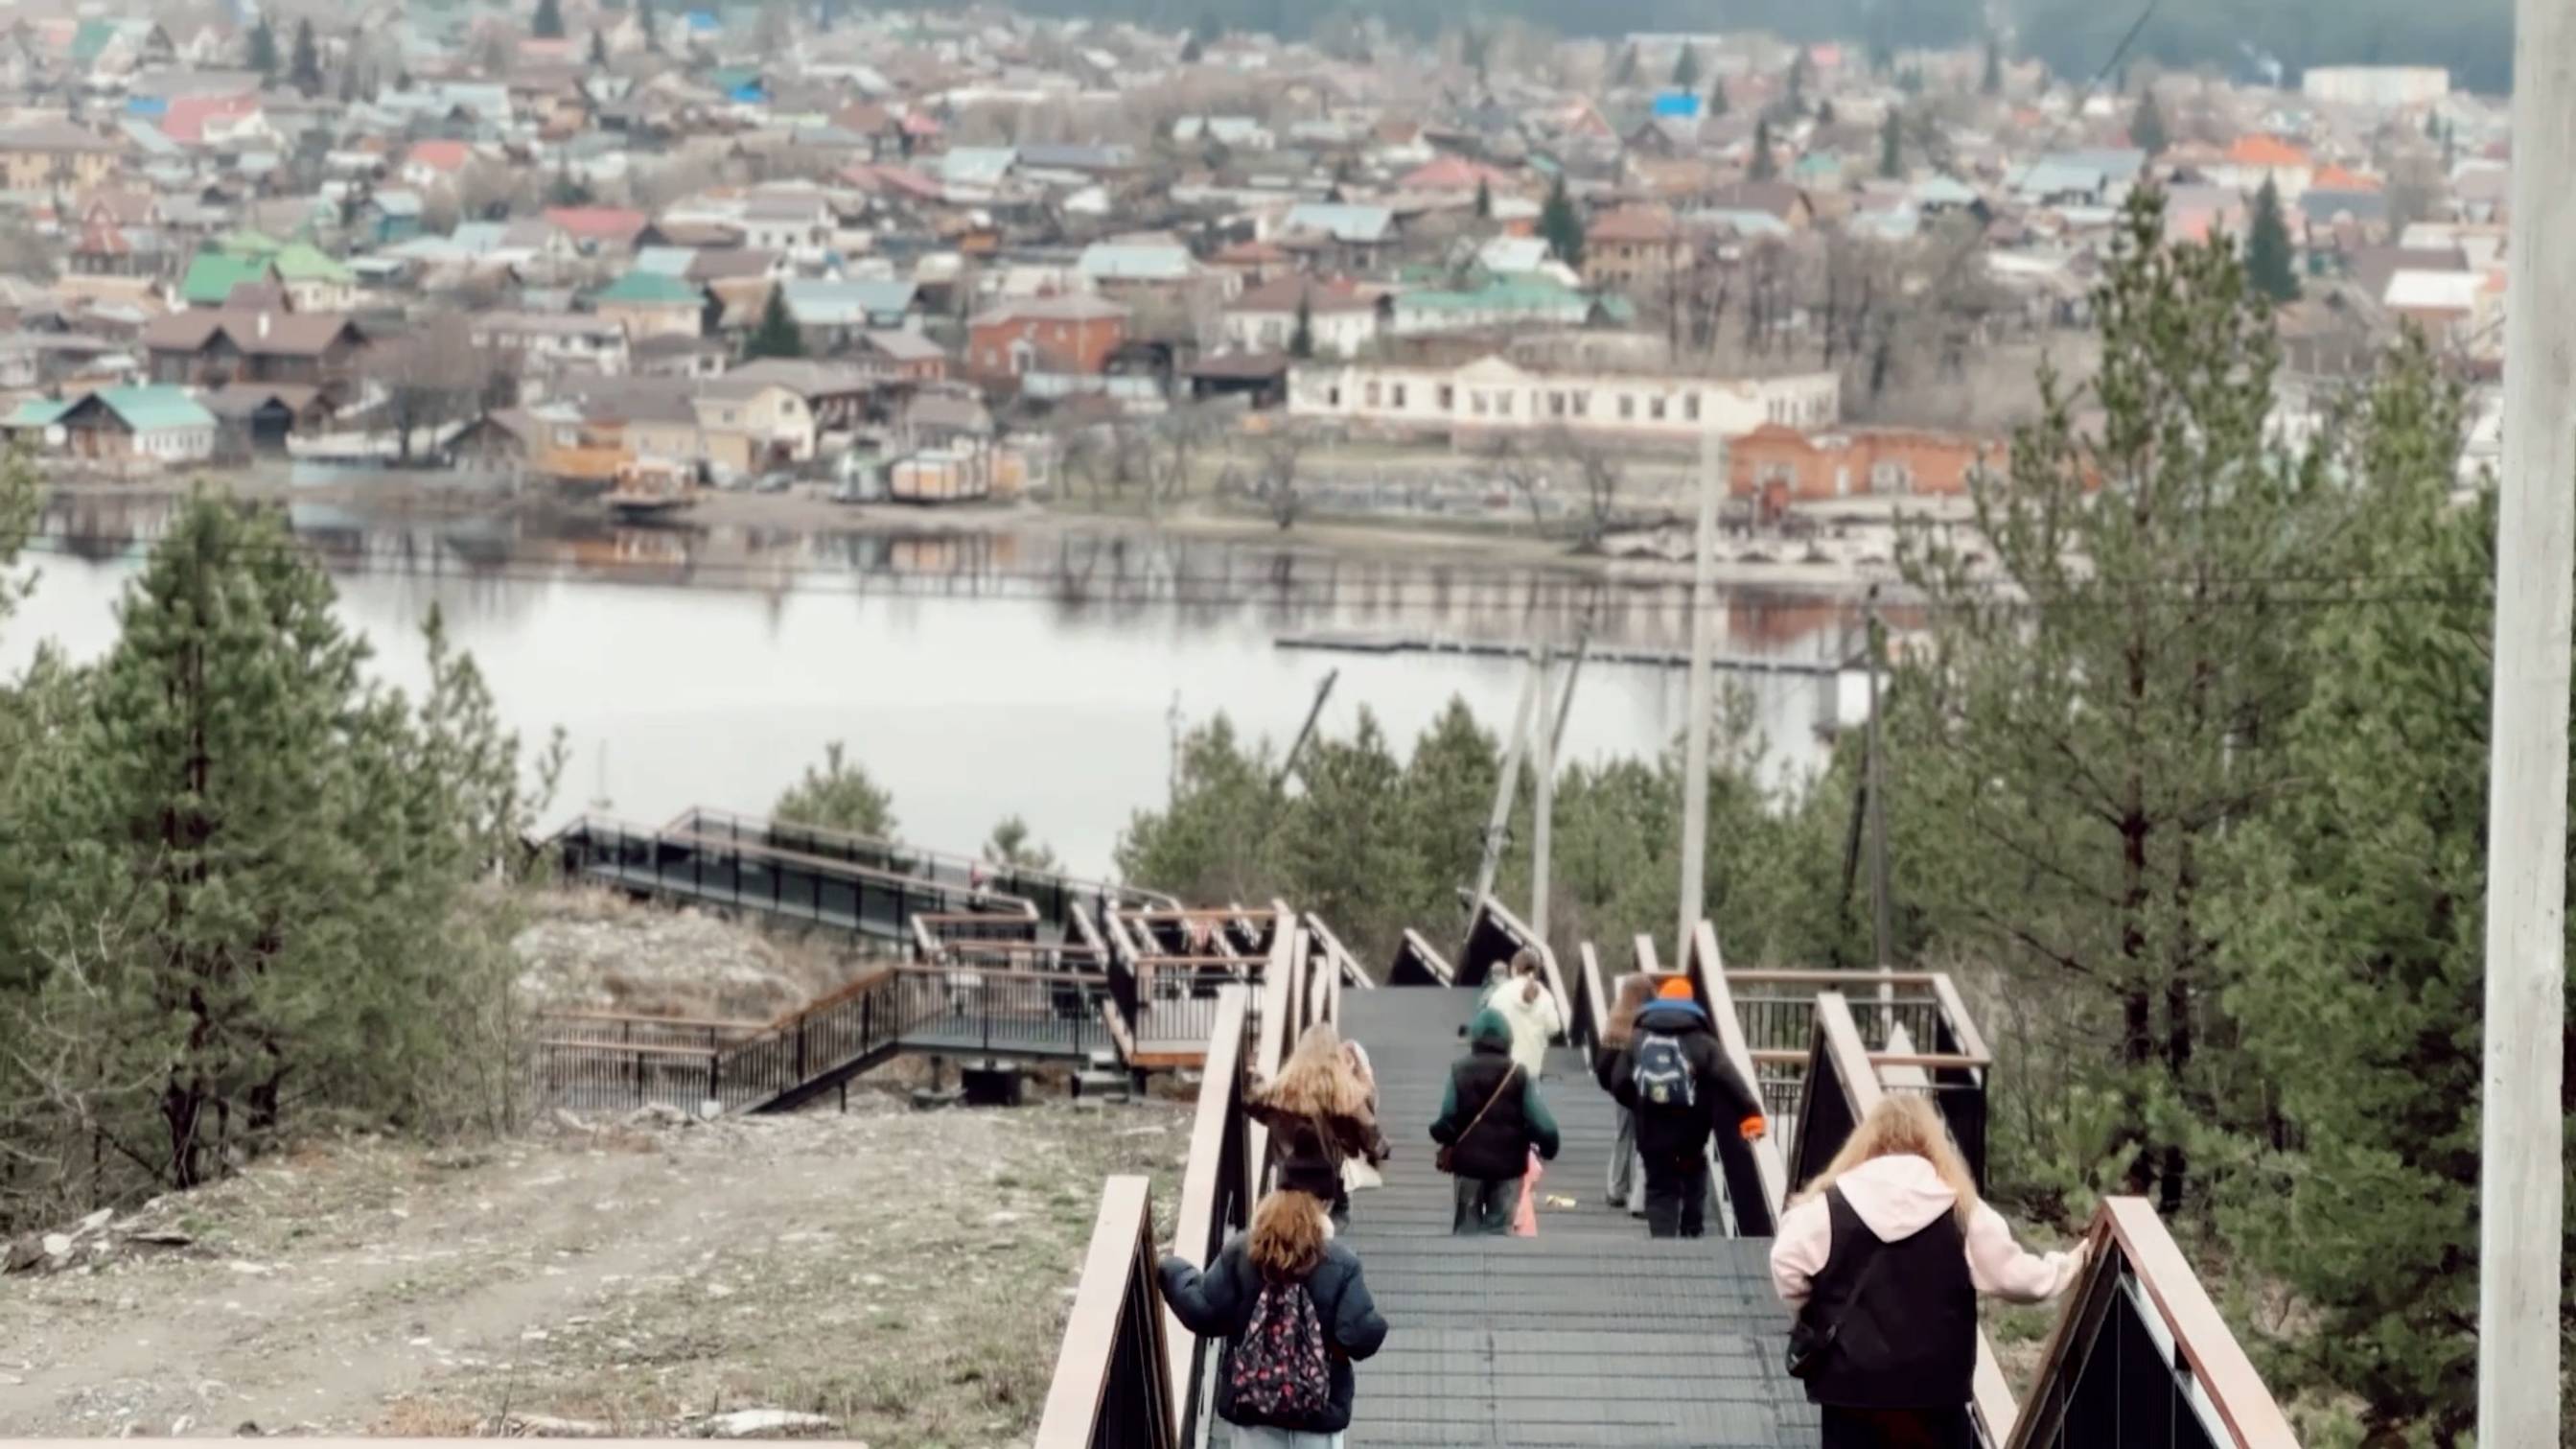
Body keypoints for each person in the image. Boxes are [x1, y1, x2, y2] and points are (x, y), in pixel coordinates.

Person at [1770, 1095, 2088, 1449]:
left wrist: (1811, 1306)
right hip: (1936, 1392)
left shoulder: (1827, 1206)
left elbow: (1786, 1263)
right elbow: (2019, 1279)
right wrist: (2066, 1266)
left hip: (1851, 1388)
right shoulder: (1962, 1210)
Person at [1160, 1188, 1389, 1448]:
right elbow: (1359, 1338)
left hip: (1253, 1407)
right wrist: (1374, 1324)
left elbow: (1203, 1313)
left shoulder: (1241, 1253)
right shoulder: (1340, 1262)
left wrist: (1174, 1271)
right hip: (1318, 1410)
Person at [1610, 976, 1765, 1238]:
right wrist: (1750, 1114)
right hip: (1690, 1132)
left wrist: (1641, 1103)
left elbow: (1619, 1082)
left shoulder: (1638, 1038)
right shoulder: (1701, 1041)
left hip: (1652, 1132)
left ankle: (1664, 1244)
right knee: (1693, 1170)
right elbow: (1729, 1079)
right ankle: (1692, 1230)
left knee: (1659, 1188)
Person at [1429, 1006, 1561, 1234]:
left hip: (1468, 1164)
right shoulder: (1517, 1073)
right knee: (1500, 1228)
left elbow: (1447, 1117)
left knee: (1466, 1229)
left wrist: (1440, 1134)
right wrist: (1548, 1147)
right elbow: (1543, 1123)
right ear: (1508, 1040)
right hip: (1509, 1165)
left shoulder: (1459, 1070)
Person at [1246, 1022, 1380, 1227]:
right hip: (1330, 1191)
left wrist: (1253, 1075)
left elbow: (1252, 1101)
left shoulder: (1278, 1095)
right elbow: (1374, 1144)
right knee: (1331, 1235)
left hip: (1288, 1186)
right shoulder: (1348, 1097)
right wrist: (1363, 1074)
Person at [1593, 971, 1663, 1216]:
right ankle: (1640, 1200)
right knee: (1647, 1140)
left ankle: (1615, 1188)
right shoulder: (1651, 1019)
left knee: (1623, 1134)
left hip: (1621, 1088)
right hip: (1646, 1087)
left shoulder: (1616, 1018)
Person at [1479, 947, 1565, 1081]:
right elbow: (1554, 1028)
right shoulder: (1545, 995)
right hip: (1532, 1068)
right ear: (1536, 970)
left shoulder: (1499, 994)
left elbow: (1487, 1028)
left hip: (1504, 1068)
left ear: (1513, 969)